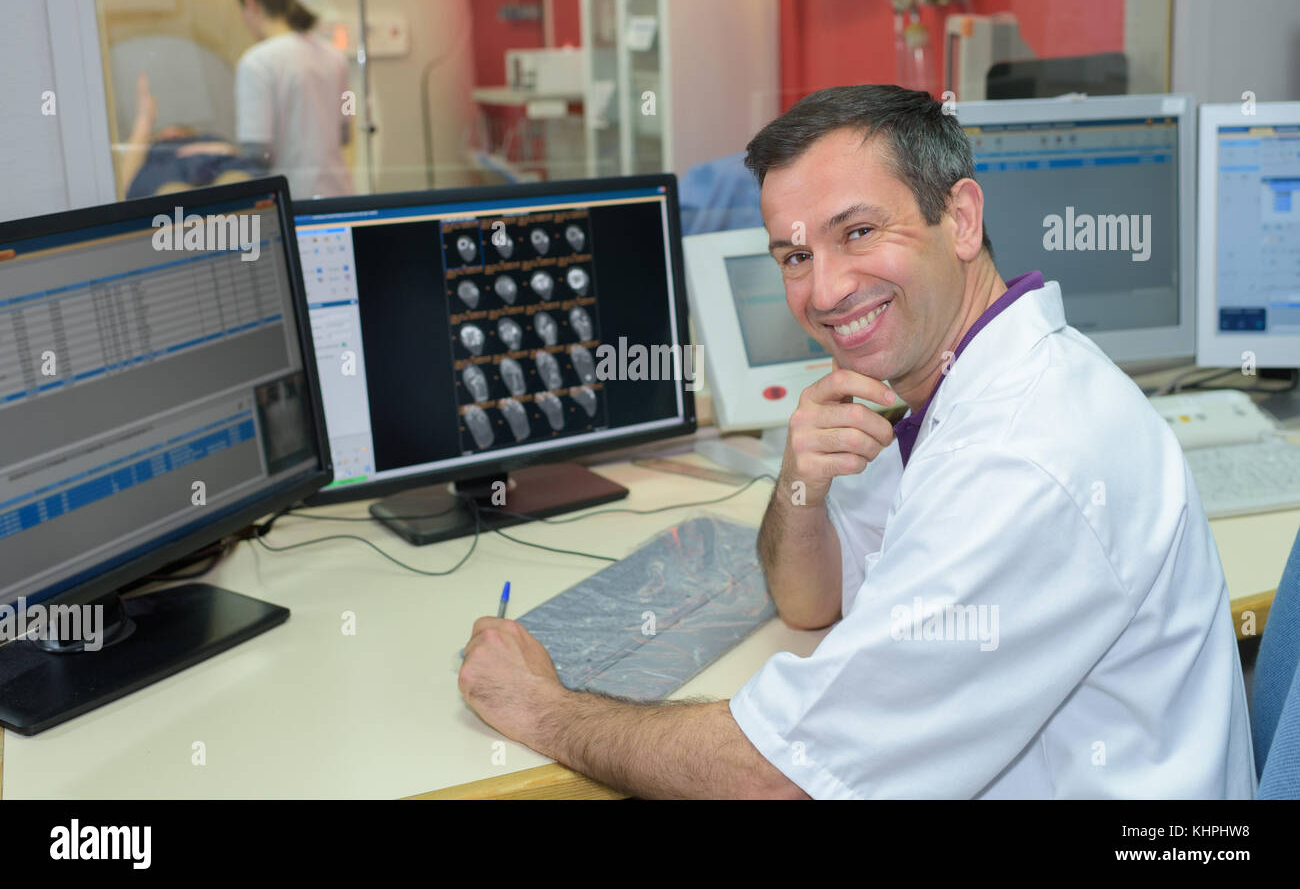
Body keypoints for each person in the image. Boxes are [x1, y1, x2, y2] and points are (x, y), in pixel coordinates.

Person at [456, 85, 1256, 798]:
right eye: (796, 255)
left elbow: (779, 779)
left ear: (963, 218)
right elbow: (811, 600)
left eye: (860, 231)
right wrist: (800, 481)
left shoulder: (1020, 457)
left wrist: (545, 709)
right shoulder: (934, 384)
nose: (826, 289)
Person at [235, 0, 354, 199]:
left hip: (294, 200)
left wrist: (226, 152)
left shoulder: (256, 62)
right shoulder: (334, 56)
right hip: (340, 195)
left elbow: (257, 153)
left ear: (251, 3)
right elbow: (345, 134)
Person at [117, 75, 262, 199]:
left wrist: (218, 149)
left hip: (222, 172)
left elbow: (244, 159)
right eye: (165, 134)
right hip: (166, 187)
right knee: (171, 194)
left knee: (236, 182)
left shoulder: (208, 139)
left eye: (179, 131)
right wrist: (144, 119)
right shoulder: (152, 153)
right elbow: (125, 184)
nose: (172, 133)